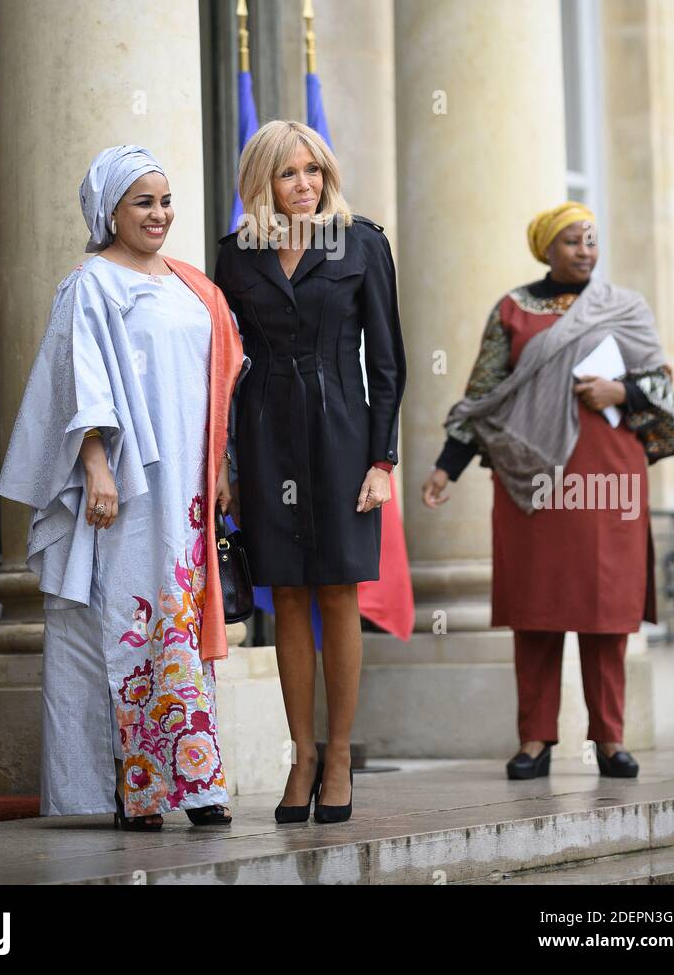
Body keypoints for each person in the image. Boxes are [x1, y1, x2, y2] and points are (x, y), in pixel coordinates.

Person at [0, 145, 249, 829]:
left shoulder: (194, 287)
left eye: (166, 201)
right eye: (144, 202)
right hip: (128, 488)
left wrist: (221, 465)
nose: (159, 214)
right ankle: (137, 786)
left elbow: (218, 386)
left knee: (180, 624)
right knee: (124, 623)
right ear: (110, 212)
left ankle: (198, 781)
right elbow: (79, 380)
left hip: (188, 493)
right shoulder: (90, 283)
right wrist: (96, 468)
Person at [422, 203, 674, 780]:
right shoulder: (513, 310)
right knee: (537, 609)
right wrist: (448, 466)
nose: (585, 250)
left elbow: (663, 388)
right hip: (533, 480)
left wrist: (620, 390)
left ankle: (610, 740)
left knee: (607, 612)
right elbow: (484, 395)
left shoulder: (624, 307)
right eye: (573, 241)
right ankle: (535, 740)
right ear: (546, 247)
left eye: (592, 240)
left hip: (608, 477)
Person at [214, 120, 406, 824]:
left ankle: (341, 755)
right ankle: (301, 756)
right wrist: (225, 461)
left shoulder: (362, 243)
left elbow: (387, 364)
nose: (305, 185)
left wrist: (383, 459)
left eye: (314, 171)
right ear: (262, 181)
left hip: (342, 437)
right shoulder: (235, 257)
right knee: (286, 596)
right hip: (265, 438)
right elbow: (223, 371)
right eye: (290, 173)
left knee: (337, 591)